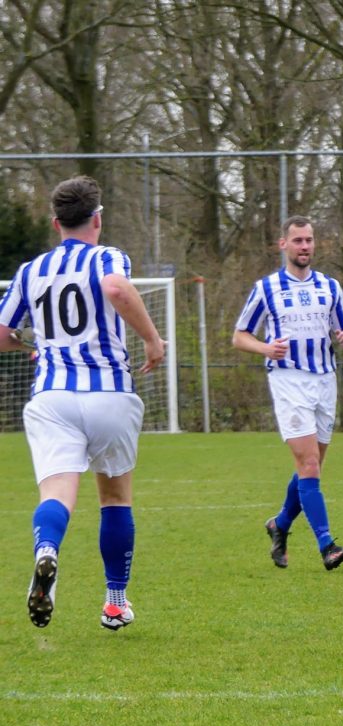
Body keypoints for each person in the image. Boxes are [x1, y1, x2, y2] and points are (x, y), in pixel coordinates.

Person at [0, 175, 166, 630]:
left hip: (52, 396)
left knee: (57, 494)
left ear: (56, 223)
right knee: (114, 497)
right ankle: (115, 602)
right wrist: (152, 341)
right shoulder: (108, 256)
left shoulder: (31, 271)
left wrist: (30, 341)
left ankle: (47, 551)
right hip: (109, 392)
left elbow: (0, 334)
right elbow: (115, 289)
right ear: (97, 218)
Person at [233, 215, 343, 573]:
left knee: (311, 468)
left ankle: (280, 524)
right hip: (288, 381)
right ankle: (327, 545)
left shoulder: (330, 287)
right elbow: (240, 335)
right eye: (298, 240)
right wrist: (265, 348)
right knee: (309, 466)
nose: (305, 246)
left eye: (310, 240)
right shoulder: (266, 288)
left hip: (324, 380)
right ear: (283, 244)